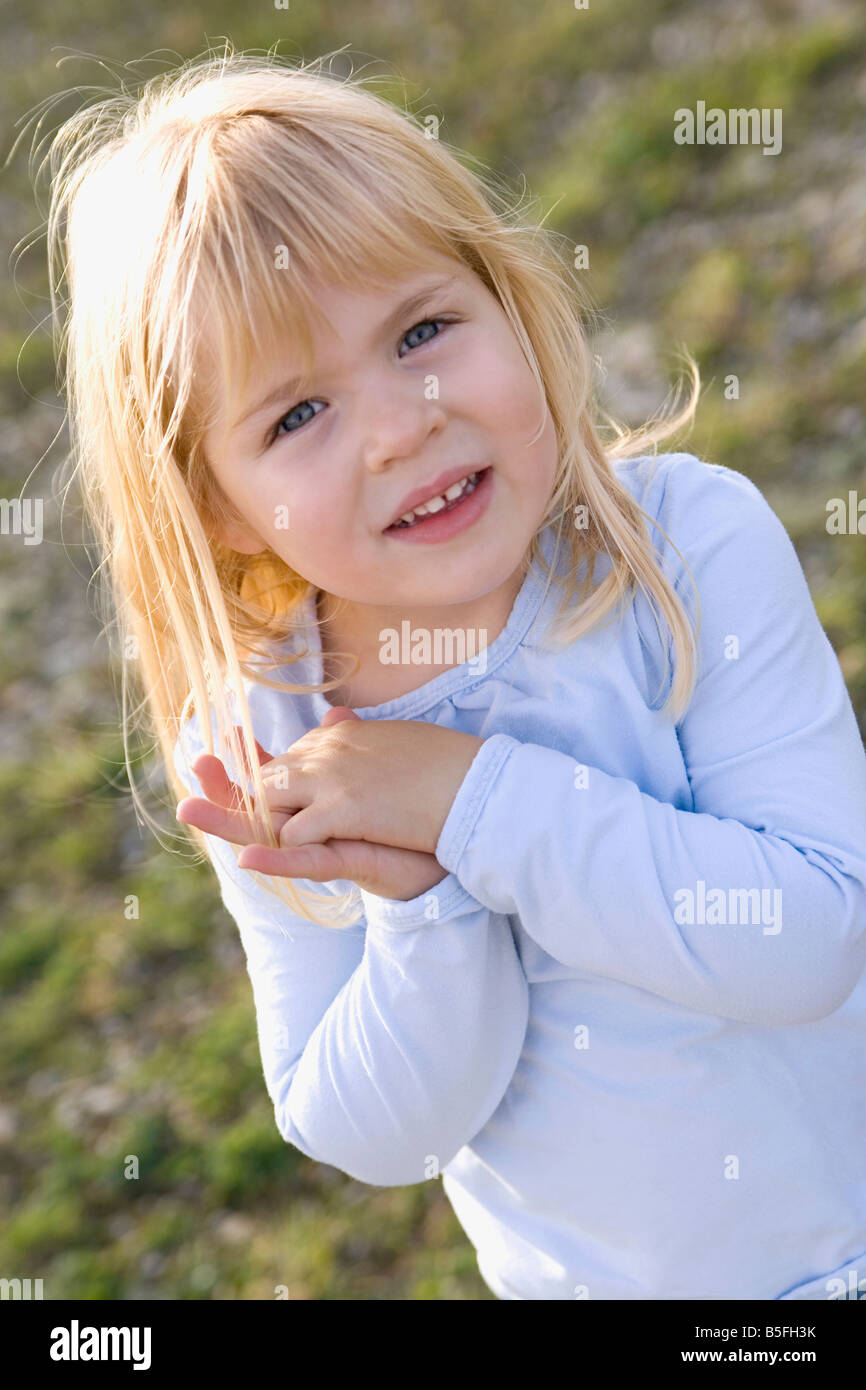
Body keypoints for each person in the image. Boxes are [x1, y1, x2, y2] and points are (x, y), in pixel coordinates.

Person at [44, 45, 866, 1300]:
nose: (399, 422)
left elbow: (806, 937)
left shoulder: (682, 549)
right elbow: (377, 1129)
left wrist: (468, 797)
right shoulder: (265, 731)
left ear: (510, 301)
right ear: (216, 504)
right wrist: (427, 902)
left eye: (422, 330)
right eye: (296, 416)